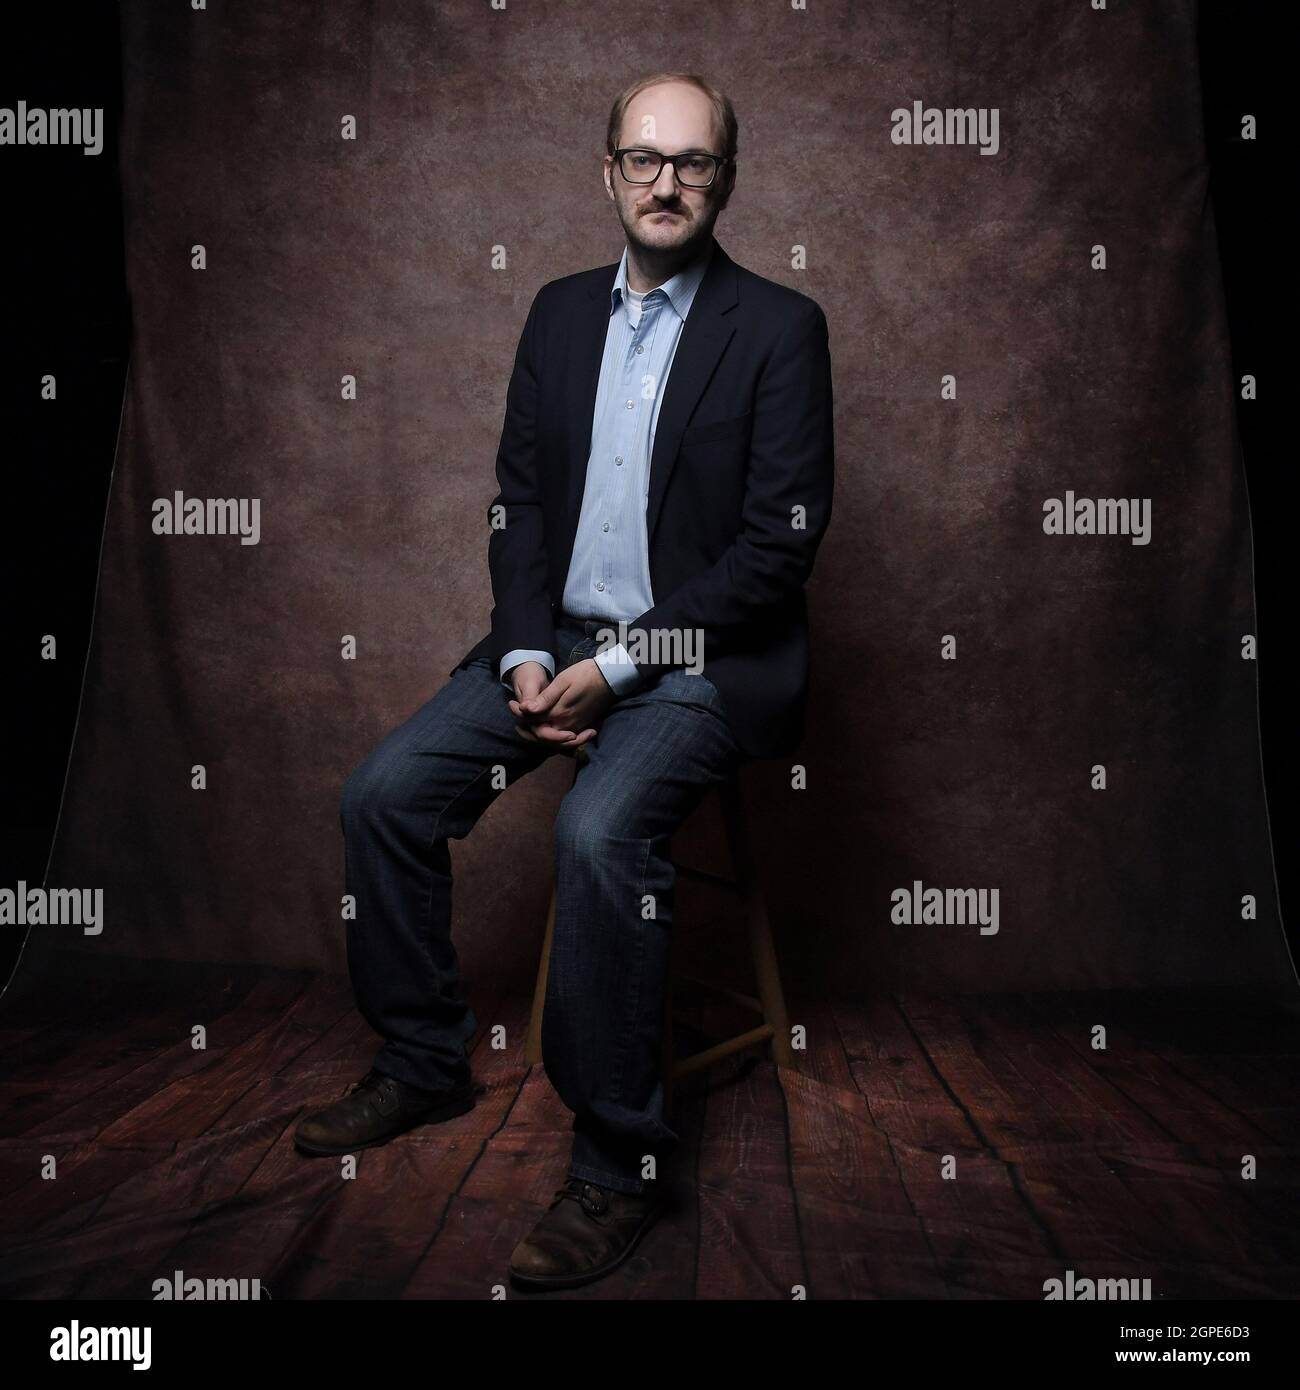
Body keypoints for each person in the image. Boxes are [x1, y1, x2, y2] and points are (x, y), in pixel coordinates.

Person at [294, 70, 834, 1292]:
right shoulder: (553, 314)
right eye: (643, 158)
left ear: (724, 180)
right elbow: (519, 504)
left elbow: (775, 549)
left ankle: (616, 1168)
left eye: (692, 162)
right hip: (553, 644)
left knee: (595, 833)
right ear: (607, 174)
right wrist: (535, 649)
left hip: (700, 660)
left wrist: (618, 665)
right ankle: (422, 1060)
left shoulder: (779, 327)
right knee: (382, 794)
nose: (666, 182)